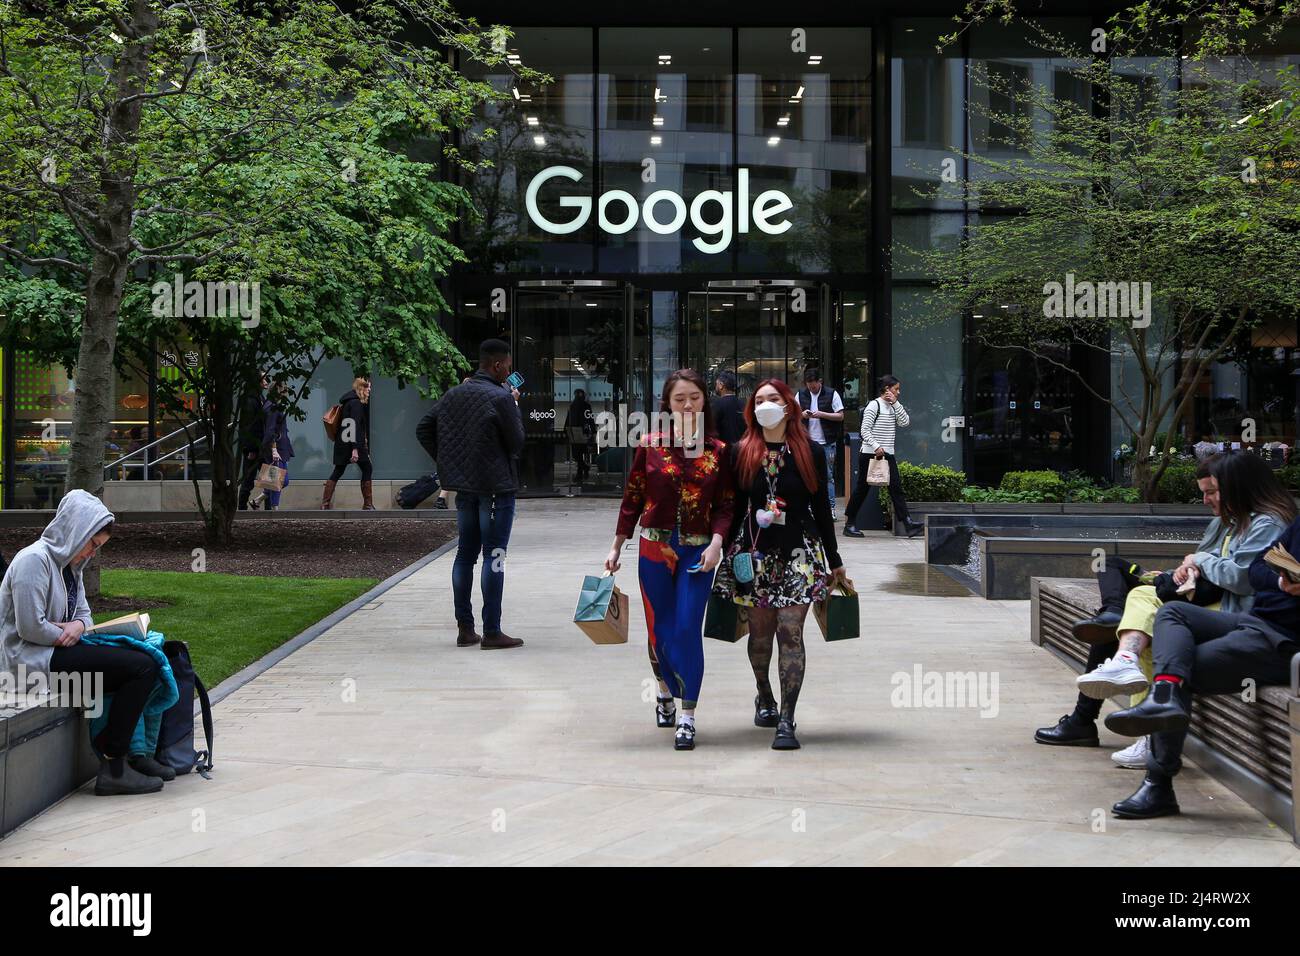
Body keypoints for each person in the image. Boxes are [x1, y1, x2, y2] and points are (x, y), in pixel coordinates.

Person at [1035, 451, 1293, 767]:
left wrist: (1197, 563)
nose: (1207, 500)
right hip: (1213, 601)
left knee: (1143, 614)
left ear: (1238, 486)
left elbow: (1243, 577)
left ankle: (1116, 713)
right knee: (1127, 611)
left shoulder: (1266, 523)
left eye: (1212, 491)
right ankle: (1104, 692)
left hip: (1235, 614)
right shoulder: (1229, 522)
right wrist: (1185, 570)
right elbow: (1210, 562)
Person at [1102, 512, 1300, 819]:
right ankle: (1164, 695)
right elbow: (1258, 568)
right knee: (1173, 613)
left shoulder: (1269, 521)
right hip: (1255, 621)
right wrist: (1279, 579)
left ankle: (1158, 783)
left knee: (1181, 666)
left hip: (1284, 642)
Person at [0, 491, 166, 795]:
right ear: (75, 529)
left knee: (145, 659)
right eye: (91, 543)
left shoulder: (70, 568)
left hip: (55, 651)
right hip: (28, 662)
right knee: (140, 668)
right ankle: (114, 763)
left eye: (98, 547)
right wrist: (68, 634)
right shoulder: (34, 561)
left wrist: (76, 627)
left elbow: (85, 617)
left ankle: (133, 755)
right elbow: (30, 628)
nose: (91, 553)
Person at [605, 369, 734, 751]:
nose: (688, 404)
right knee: (659, 630)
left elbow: (726, 504)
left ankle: (688, 715)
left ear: (704, 401)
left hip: (698, 552)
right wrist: (616, 545)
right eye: (680, 398)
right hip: (654, 550)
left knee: (687, 627)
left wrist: (717, 543)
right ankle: (663, 690)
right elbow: (633, 498)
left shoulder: (718, 450)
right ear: (668, 404)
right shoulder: (650, 444)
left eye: (695, 397)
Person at [714, 378, 846, 750]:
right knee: (760, 635)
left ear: (789, 405)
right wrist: (722, 549)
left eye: (773, 398)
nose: (766, 405)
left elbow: (822, 511)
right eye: (759, 400)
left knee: (791, 632)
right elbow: (734, 507)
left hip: (799, 554)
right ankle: (764, 694)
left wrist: (834, 560)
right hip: (754, 553)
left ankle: (787, 719)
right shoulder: (741, 450)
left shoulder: (810, 452)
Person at [418, 339, 525, 650]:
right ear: (496, 365)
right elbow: (517, 442)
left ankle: (466, 629)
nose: (509, 370)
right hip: (496, 488)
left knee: (465, 554)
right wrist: (514, 405)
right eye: (507, 365)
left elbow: (424, 427)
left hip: (465, 489)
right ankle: (492, 631)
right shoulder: (502, 398)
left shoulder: (453, 394)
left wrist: (448, 461)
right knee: (495, 556)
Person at [844, 374, 923, 538]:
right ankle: (849, 523)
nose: (898, 392)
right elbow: (864, 431)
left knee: (896, 488)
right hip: (870, 454)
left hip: (888, 453)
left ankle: (908, 524)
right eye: (896, 389)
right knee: (862, 489)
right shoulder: (874, 406)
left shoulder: (893, 405)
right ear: (887, 389)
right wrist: (876, 446)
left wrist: (895, 402)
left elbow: (905, 422)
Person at [796, 369, 845, 519]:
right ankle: (808, 507)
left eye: (814, 385)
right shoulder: (800, 394)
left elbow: (841, 416)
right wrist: (802, 415)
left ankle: (830, 508)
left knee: (828, 476)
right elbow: (792, 415)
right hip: (807, 442)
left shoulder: (831, 394)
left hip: (827, 442)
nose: (812, 388)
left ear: (820, 381)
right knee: (806, 474)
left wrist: (822, 414)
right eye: (809, 386)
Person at [321, 376, 373, 510]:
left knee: (338, 470)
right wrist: (355, 449)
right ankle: (368, 504)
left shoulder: (347, 402)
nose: (370, 390)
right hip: (353, 444)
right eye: (368, 388)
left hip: (343, 443)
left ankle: (325, 503)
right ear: (362, 388)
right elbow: (353, 425)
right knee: (367, 468)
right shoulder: (356, 403)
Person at [253, 382, 294, 511]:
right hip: (275, 448)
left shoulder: (272, 405)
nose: (286, 391)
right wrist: (274, 449)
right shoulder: (272, 407)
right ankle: (275, 509)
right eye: (283, 389)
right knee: (278, 479)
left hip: (279, 447)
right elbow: (271, 430)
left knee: (281, 480)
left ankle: (257, 500)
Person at [238, 374, 269, 510]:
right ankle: (241, 506)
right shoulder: (251, 400)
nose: (266, 381)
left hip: (261, 445)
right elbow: (249, 425)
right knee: (249, 479)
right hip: (255, 447)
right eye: (264, 378)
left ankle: (268, 508)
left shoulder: (260, 398)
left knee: (268, 480)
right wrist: (250, 448)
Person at [564, 388, 596, 485]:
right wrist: (566, 429)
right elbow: (568, 418)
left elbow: (590, 419)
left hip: (582, 431)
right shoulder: (573, 406)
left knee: (579, 452)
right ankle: (584, 468)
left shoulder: (584, 406)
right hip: (575, 430)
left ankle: (580, 472)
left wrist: (593, 430)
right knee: (576, 454)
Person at [713, 371, 746, 447]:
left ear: (721, 385)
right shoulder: (743, 404)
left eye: (716, 384)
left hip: (723, 451)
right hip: (741, 450)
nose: (716, 387)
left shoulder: (716, 405)